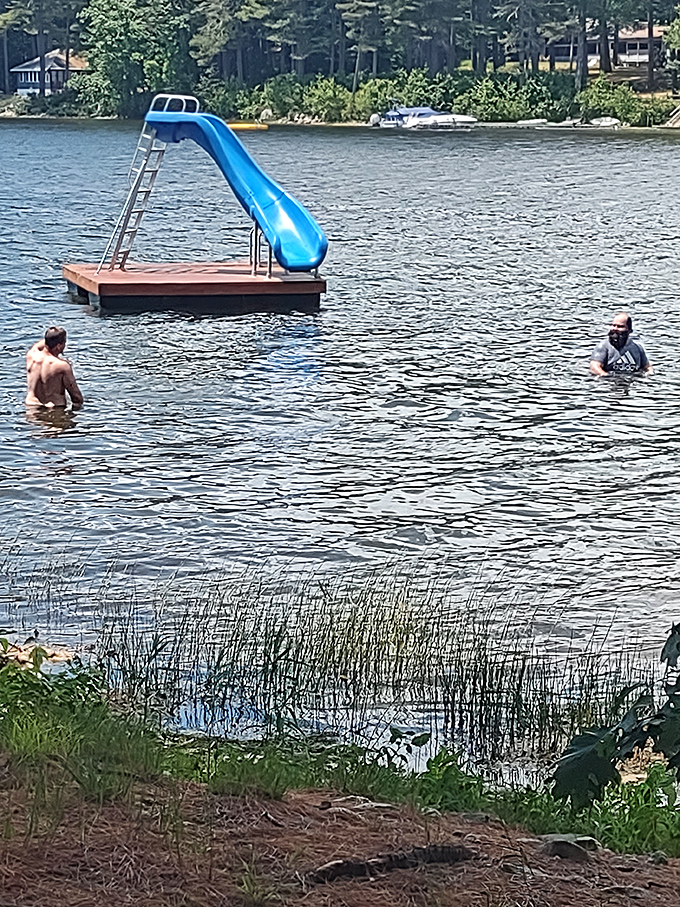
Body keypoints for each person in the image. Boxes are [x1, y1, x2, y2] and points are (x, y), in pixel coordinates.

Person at [26, 326, 83, 409]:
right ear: (59, 346)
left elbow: (39, 344)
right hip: (54, 410)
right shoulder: (62, 366)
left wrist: (52, 338)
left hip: (31, 408)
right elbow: (76, 397)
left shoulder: (31, 355)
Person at [589, 312, 652, 376]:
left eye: (620, 326)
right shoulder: (603, 346)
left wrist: (649, 374)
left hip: (631, 382)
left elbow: (647, 367)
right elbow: (594, 367)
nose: (615, 329)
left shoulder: (637, 348)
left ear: (629, 330)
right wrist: (607, 376)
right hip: (610, 382)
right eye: (613, 325)